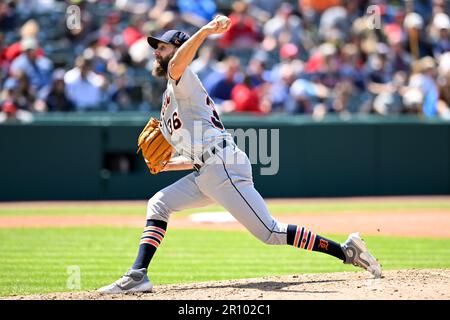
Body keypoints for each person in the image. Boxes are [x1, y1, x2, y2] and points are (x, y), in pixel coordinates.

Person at [97, 16, 381, 294]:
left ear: (179, 48)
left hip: (223, 167)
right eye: (156, 47)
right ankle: (138, 274)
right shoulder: (171, 95)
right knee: (158, 204)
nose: (156, 51)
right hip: (208, 170)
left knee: (271, 233)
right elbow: (198, 154)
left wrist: (206, 30)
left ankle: (347, 251)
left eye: (163, 46)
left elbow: (177, 63)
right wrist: (168, 165)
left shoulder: (181, 76)